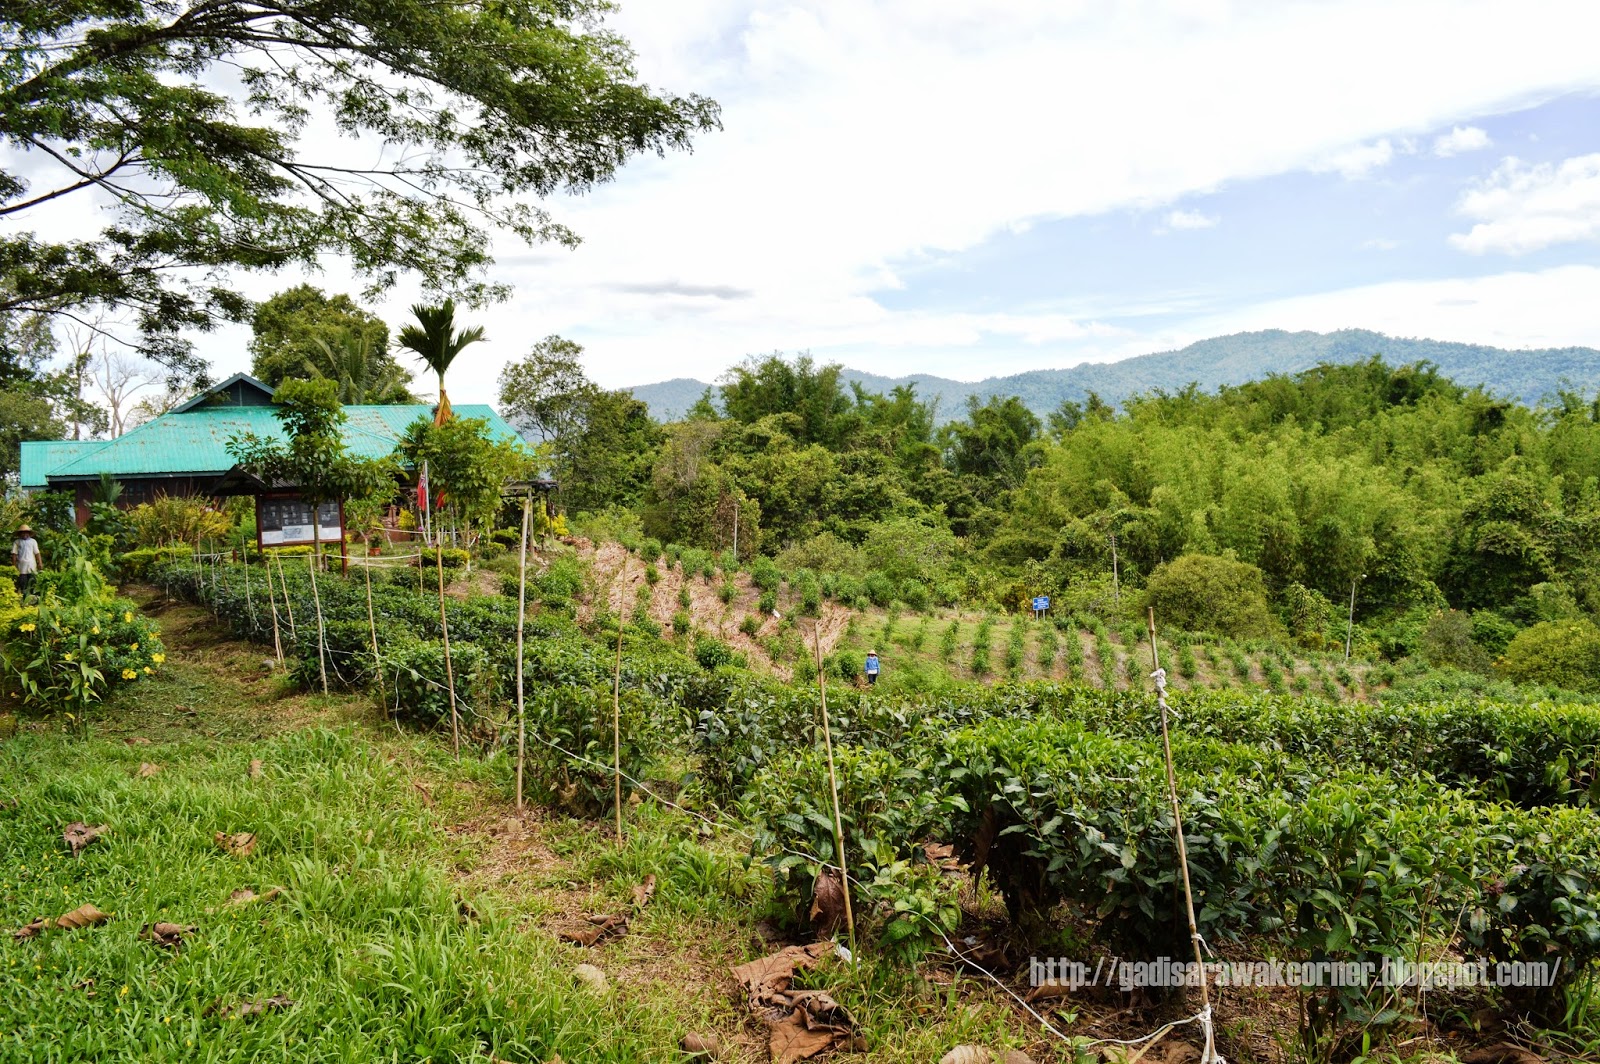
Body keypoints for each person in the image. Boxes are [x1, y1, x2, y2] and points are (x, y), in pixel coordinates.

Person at [11, 524, 40, 599]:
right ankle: (24, 600)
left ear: (29, 533)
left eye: (26, 532)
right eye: (22, 532)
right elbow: (14, 554)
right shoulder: (17, 542)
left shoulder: (33, 541)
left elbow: (37, 553)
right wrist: (13, 566)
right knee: (23, 584)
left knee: (33, 583)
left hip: (32, 566)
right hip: (21, 567)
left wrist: (40, 563)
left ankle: (33, 600)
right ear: (20, 534)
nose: (24, 534)